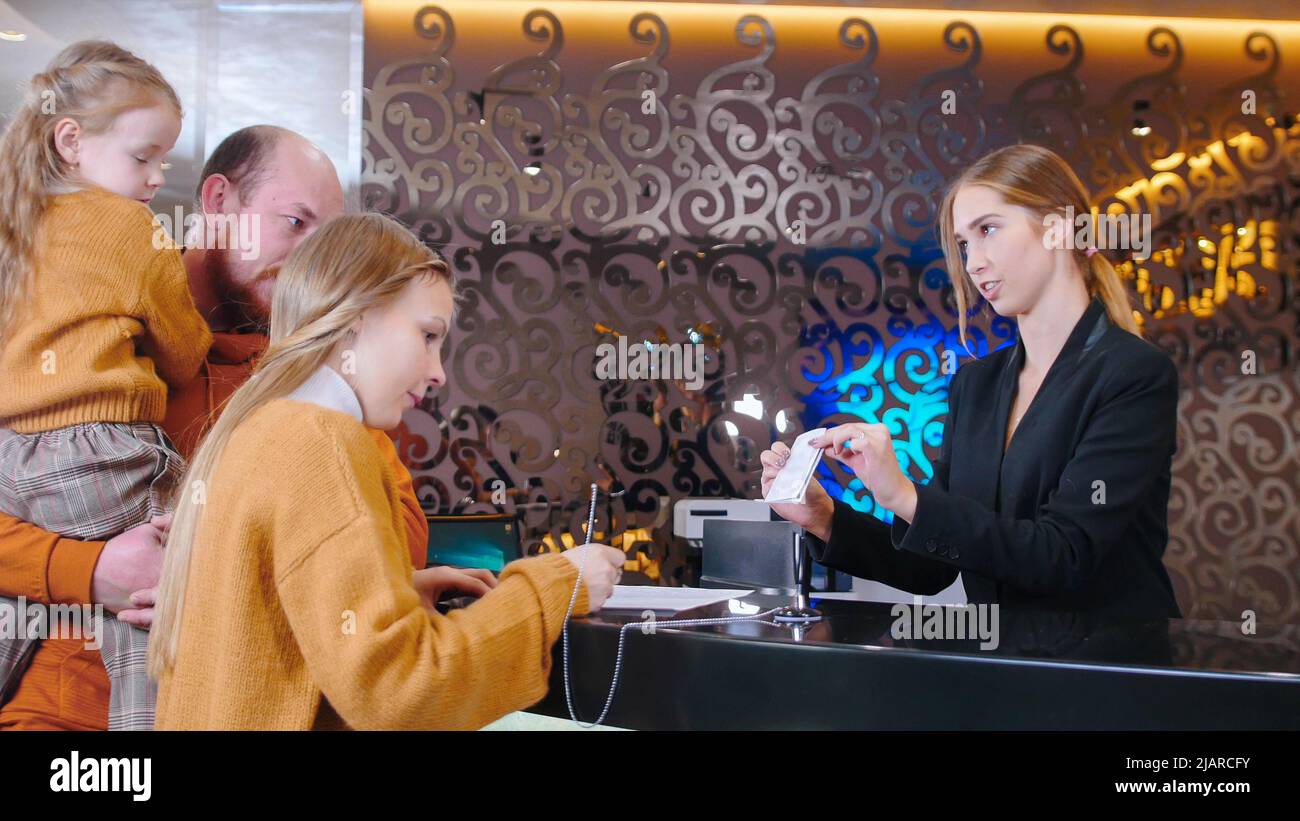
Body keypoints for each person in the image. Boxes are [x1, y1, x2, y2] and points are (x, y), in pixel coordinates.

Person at [0, 125, 451, 730]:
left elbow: (392, 537)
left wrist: (224, 580)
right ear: (216, 203)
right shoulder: (82, 341)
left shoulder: (322, 373)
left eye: (327, 238)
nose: (310, 257)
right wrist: (93, 570)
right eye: (296, 223)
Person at [151, 213, 624, 729]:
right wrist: (556, 585)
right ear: (357, 317)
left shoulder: (255, 432)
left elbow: (265, 635)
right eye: (428, 335)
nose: (438, 370)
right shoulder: (323, 442)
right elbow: (400, 692)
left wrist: (394, 587)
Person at [761, 143, 1181, 621]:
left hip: (1108, 675)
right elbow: (933, 566)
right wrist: (825, 518)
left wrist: (902, 494)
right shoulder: (977, 384)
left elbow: (1064, 555)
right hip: (1002, 674)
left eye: (988, 230)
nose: (973, 261)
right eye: (964, 243)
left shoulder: (1133, 374)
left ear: (1061, 228)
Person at [0, 40, 210, 728]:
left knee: (25, 603)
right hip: (100, 451)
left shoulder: (14, 229)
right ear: (71, 140)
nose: (154, 179)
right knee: (163, 589)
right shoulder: (130, 226)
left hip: (14, 464)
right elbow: (183, 353)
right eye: (143, 156)